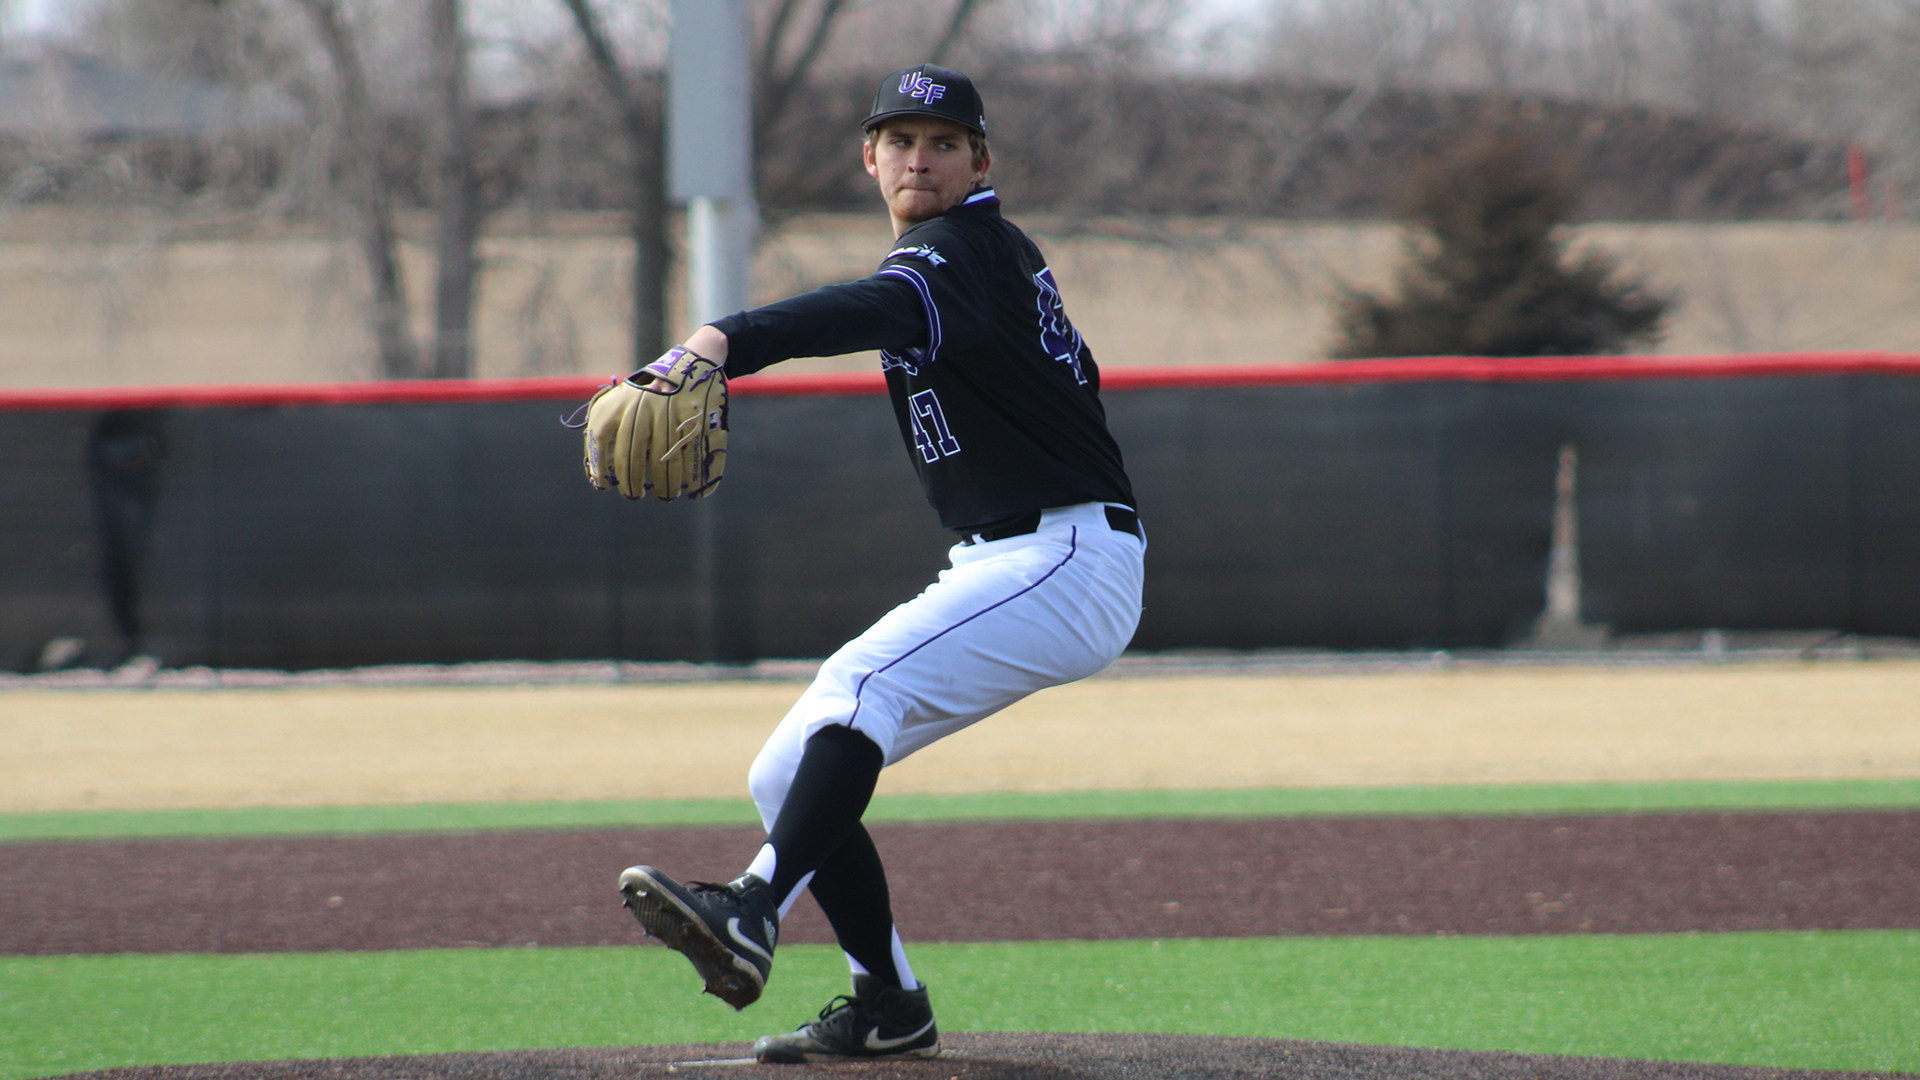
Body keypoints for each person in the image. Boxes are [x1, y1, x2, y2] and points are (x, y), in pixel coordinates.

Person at [606, 64, 1145, 1065]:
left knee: (860, 689)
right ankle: (889, 1002)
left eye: (943, 142)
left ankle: (755, 906)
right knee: (789, 767)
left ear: (981, 161)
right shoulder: (965, 258)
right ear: (870, 158)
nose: (919, 158)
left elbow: (859, 310)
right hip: (1025, 554)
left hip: (1065, 552)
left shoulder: (963, 247)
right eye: (900, 141)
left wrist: (719, 341)